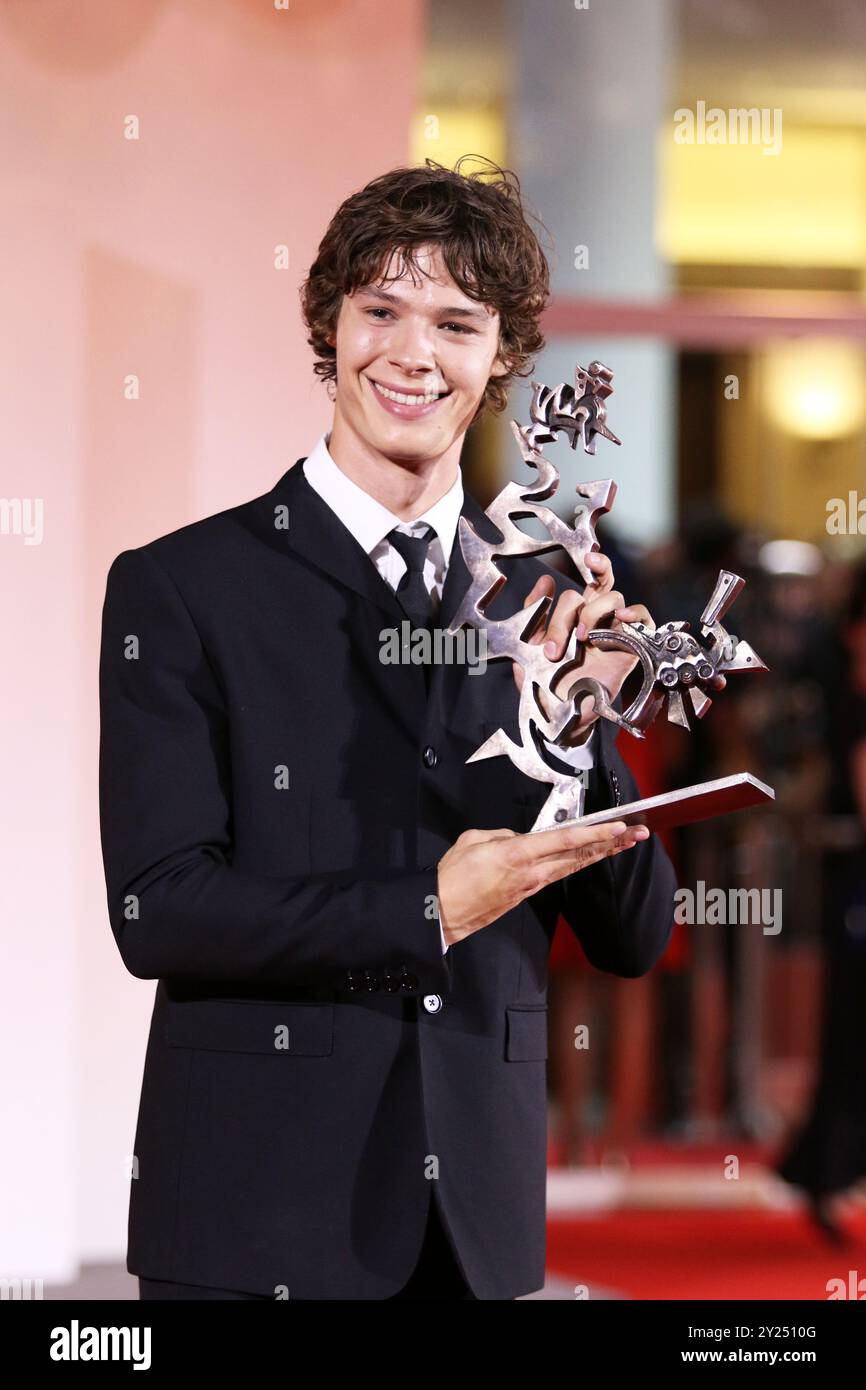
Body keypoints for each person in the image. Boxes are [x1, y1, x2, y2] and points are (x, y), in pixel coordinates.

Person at [98, 156, 677, 1301]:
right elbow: (157, 907)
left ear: (501, 356)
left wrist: (578, 735)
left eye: (456, 323)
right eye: (379, 312)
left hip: (476, 1224)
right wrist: (426, 910)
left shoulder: (533, 597)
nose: (412, 354)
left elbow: (634, 934)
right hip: (251, 1215)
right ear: (328, 324)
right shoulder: (183, 586)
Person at [775, 561, 866, 1242]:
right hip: (856, 883)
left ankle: (824, 1170)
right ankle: (825, 1171)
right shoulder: (851, 689)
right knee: (850, 1034)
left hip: (850, 877)